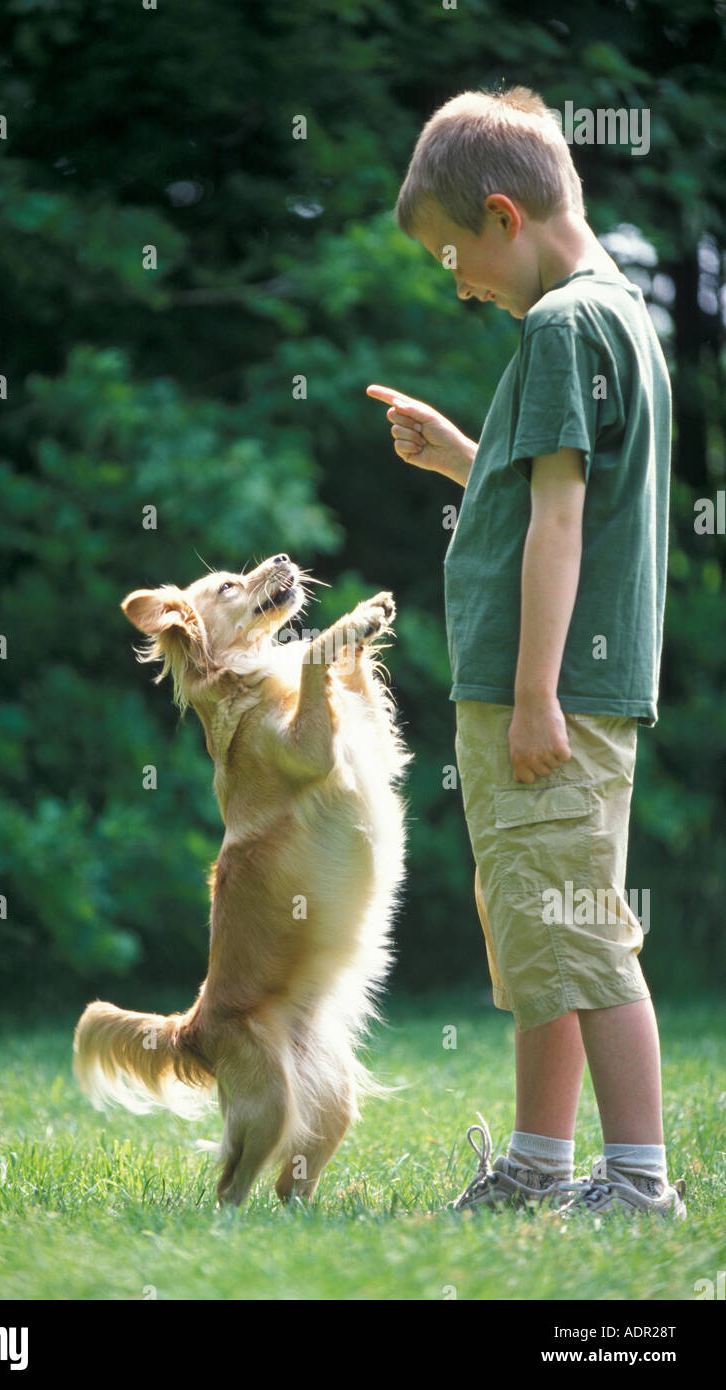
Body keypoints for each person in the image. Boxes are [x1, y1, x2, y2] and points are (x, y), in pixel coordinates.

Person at [367, 85, 685, 1218]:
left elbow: (560, 526)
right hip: (563, 689)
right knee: (542, 934)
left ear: (503, 217)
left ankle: (640, 1181)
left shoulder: (558, 327)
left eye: (454, 257)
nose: (457, 285)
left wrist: (535, 693)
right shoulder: (612, 314)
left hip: (545, 693)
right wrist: (466, 456)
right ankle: (542, 1162)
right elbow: (560, 503)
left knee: (580, 932)